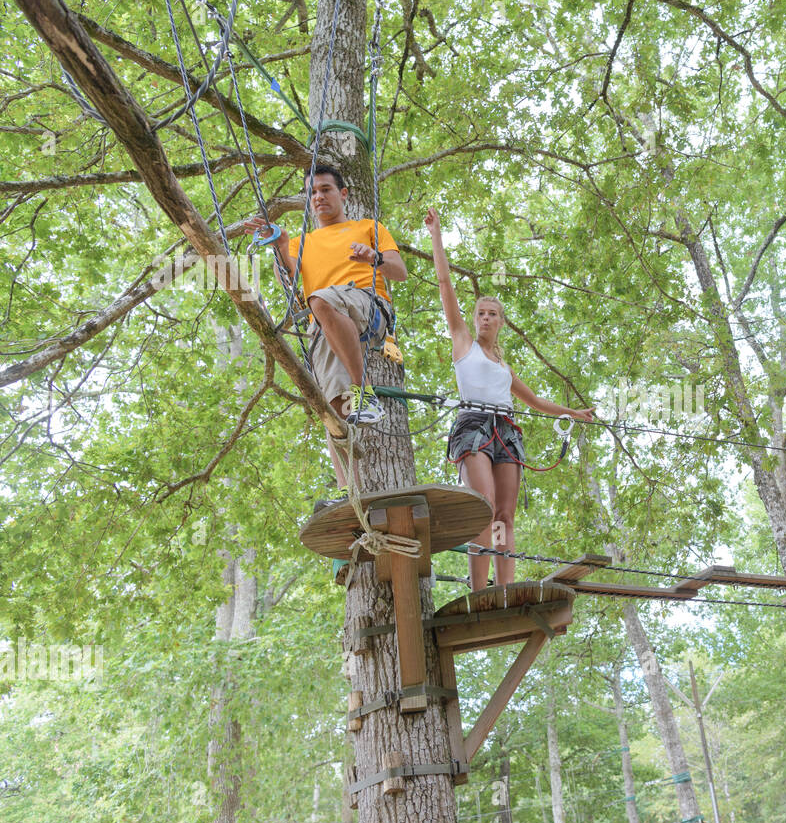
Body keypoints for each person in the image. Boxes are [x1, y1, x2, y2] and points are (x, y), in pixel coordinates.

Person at [425, 207, 594, 591]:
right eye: (480, 313)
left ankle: (504, 589)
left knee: (504, 515)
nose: (485, 318)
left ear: (501, 322)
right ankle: (480, 590)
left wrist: (572, 412)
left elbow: (533, 400)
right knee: (482, 508)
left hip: (506, 430)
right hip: (474, 428)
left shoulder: (502, 364)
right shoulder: (463, 343)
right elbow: (444, 284)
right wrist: (437, 236)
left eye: (492, 314)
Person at [243, 164, 408, 497]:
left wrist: (373, 257)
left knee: (321, 299)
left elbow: (399, 271)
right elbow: (291, 288)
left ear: (343, 194)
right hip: (325, 322)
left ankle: (363, 391)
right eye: (312, 192)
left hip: (367, 303)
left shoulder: (368, 227)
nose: (318, 197)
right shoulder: (301, 242)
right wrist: (280, 243)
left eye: (326, 189)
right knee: (332, 406)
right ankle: (351, 493)